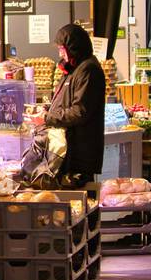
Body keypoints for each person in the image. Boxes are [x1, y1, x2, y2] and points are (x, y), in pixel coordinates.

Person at [38, 23, 106, 187]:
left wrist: (48, 118)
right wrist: (49, 109)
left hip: (79, 152)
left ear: (73, 47)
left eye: (62, 48)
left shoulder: (88, 70)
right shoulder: (73, 69)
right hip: (68, 150)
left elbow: (79, 112)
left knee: (81, 202)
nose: (60, 52)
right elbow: (67, 101)